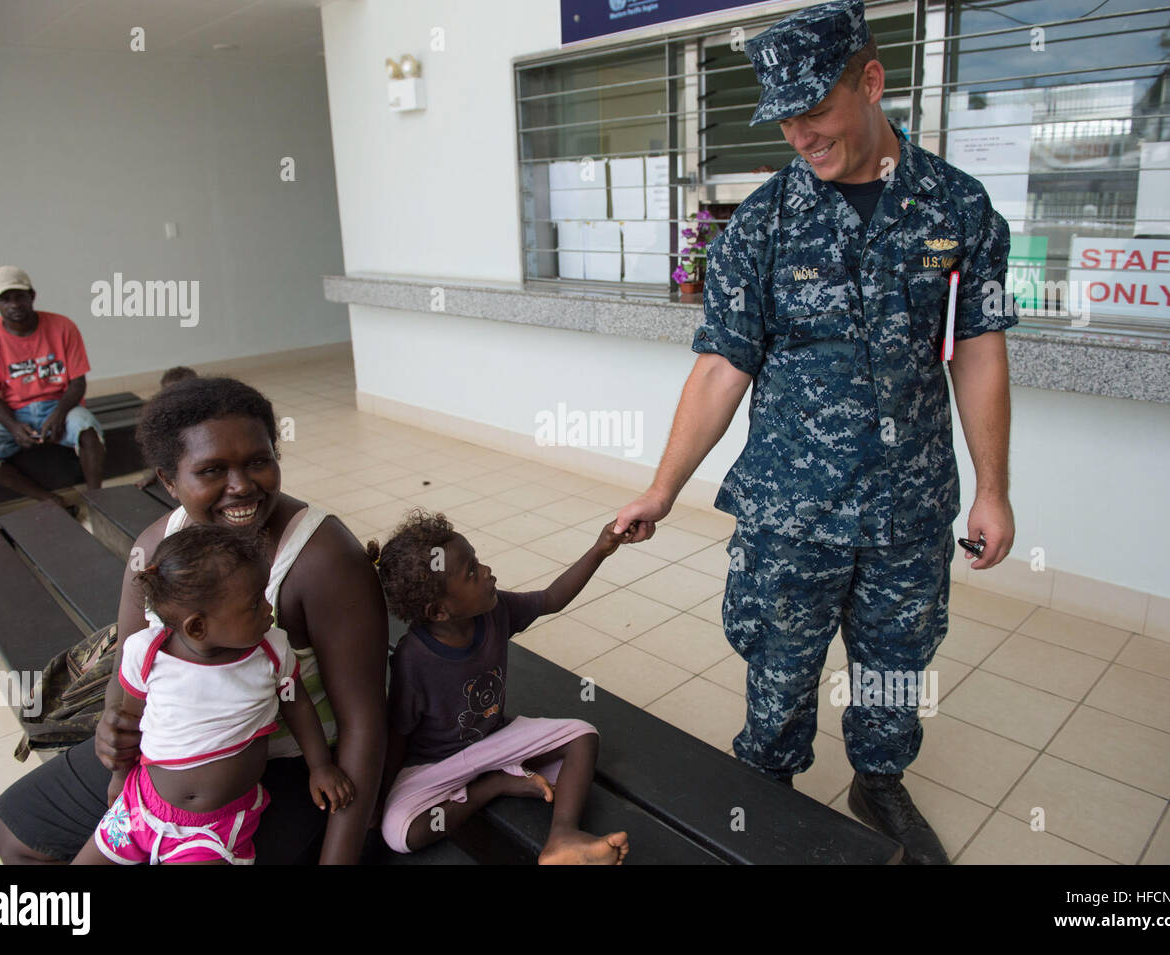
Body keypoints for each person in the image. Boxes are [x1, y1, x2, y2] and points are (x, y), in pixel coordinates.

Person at [613, 0, 1017, 865]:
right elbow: (723, 365)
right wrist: (662, 486)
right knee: (779, 673)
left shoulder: (959, 208)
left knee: (895, 661)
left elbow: (977, 349)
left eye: (817, 108)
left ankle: (879, 780)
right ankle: (764, 794)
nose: (801, 133)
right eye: (784, 116)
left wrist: (992, 487)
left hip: (910, 508)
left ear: (870, 83)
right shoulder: (760, 226)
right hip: (793, 511)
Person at [0, 376, 387, 864]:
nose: (241, 486)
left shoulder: (322, 559)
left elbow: (364, 722)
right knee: (15, 832)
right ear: (168, 480)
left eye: (259, 461)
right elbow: (129, 663)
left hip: (280, 766)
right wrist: (114, 731)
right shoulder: (154, 549)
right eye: (212, 470)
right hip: (167, 760)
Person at [73, 524, 354, 865]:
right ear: (196, 627)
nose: (269, 609)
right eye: (254, 604)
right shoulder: (147, 654)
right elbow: (129, 725)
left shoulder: (271, 653)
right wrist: (119, 779)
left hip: (212, 830)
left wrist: (320, 766)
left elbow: (296, 704)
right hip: (139, 804)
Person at [373, 508, 631, 864]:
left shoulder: (495, 611)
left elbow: (551, 599)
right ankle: (495, 785)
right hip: (435, 764)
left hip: (494, 740)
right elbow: (398, 733)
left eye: (477, 561)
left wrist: (600, 549)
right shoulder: (412, 660)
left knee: (583, 736)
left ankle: (563, 837)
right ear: (439, 612)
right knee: (401, 833)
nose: (486, 572)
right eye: (472, 572)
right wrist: (382, 795)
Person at [0, 266, 105, 507]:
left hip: (62, 406)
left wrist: (59, 415)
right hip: (13, 413)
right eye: (5, 299)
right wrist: (14, 426)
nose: (14, 304)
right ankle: (50, 500)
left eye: (19, 296)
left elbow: (77, 382)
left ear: (32, 295)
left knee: (88, 428)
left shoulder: (62, 327)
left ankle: (96, 500)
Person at [135, 366, 197, 489]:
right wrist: (153, 474)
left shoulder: (206, 416)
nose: (176, 399)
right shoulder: (164, 418)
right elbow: (159, 450)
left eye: (183, 392)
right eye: (170, 394)